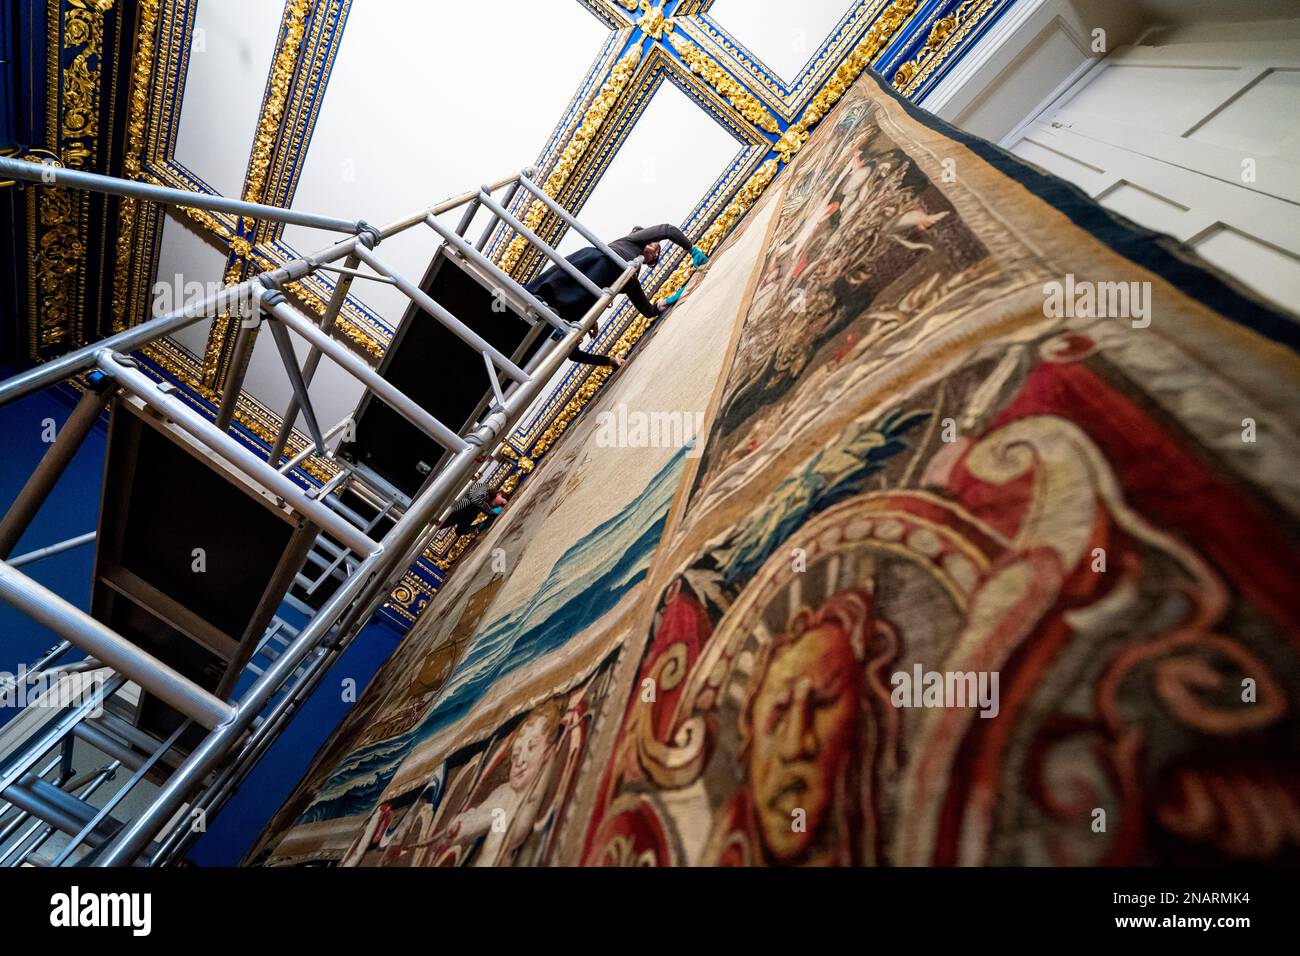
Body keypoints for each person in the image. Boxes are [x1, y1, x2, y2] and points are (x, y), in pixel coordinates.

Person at [525, 224, 708, 368]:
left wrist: (664, 302)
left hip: (576, 303)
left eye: (657, 254)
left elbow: (647, 309)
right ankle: (535, 299)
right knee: (553, 289)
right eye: (655, 246)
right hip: (587, 267)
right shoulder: (631, 242)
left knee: (555, 332)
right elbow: (667, 230)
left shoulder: (629, 279)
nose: (655, 252)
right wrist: (692, 249)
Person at [438, 478, 507, 537]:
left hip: (440, 522)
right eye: (502, 503)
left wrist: (480, 526)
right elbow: (475, 499)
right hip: (442, 509)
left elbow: (460, 531)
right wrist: (492, 513)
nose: (498, 506)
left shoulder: (477, 509)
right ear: (499, 494)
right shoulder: (484, 487)